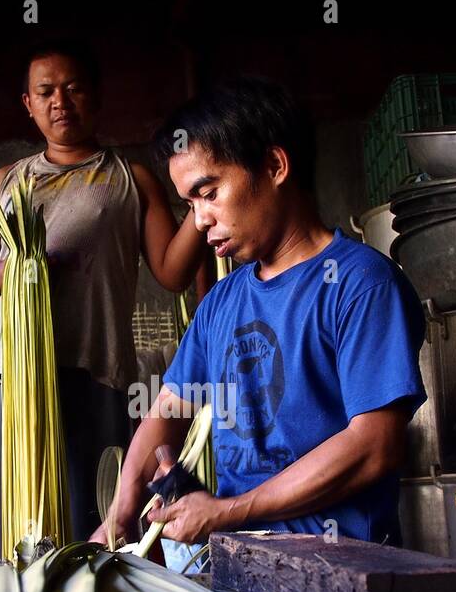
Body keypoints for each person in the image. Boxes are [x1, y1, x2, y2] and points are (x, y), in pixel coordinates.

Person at [92, 76, 426, 550]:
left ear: (274, 165)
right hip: (241, 567)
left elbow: (375, 446)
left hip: (343, 571)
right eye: (189, 203)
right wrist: (120, 515)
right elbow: (167, 411)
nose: (200, 219)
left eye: (209, 193)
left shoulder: (360, 283)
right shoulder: (221, 303)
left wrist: (225, 513)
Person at [0, 38, 209, 559]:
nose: (59, 101)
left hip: (99, 366)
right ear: (28, 103)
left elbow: (172, 271)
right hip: (20, 373)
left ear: (96, 96)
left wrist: (204, 204)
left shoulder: (130, 179)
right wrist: (19, 271)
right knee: (24, 515)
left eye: (73, 88)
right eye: (45, 91)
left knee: (100, 510)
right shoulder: (6, 183)